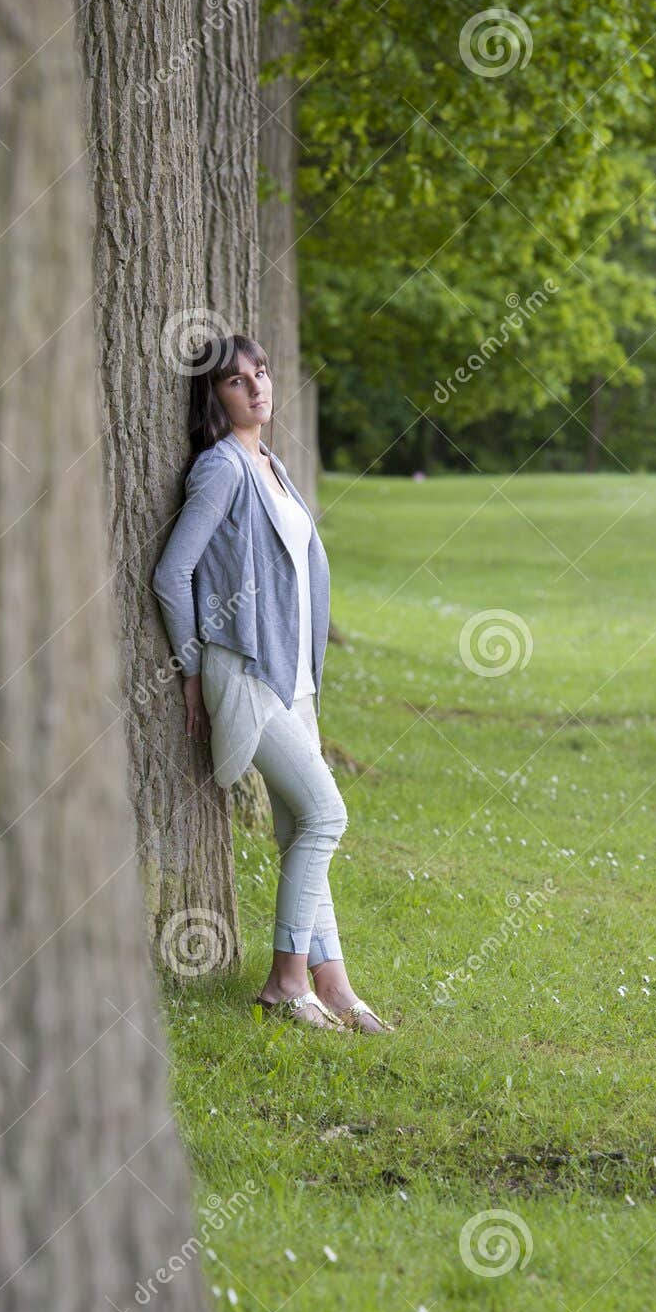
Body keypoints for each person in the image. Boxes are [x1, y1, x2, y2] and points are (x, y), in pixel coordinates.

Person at [152, 334, 394, 1034]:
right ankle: (284, 983)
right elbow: (172, 574)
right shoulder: (222, 469)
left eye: (259, 373)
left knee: (298, 828)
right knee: (326, 816)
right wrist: (194, 673)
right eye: (235, 380)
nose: (256, 387)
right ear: (213, 397)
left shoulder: (272, 464)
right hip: (246, 673)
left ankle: (335, 987)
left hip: (295, 682)